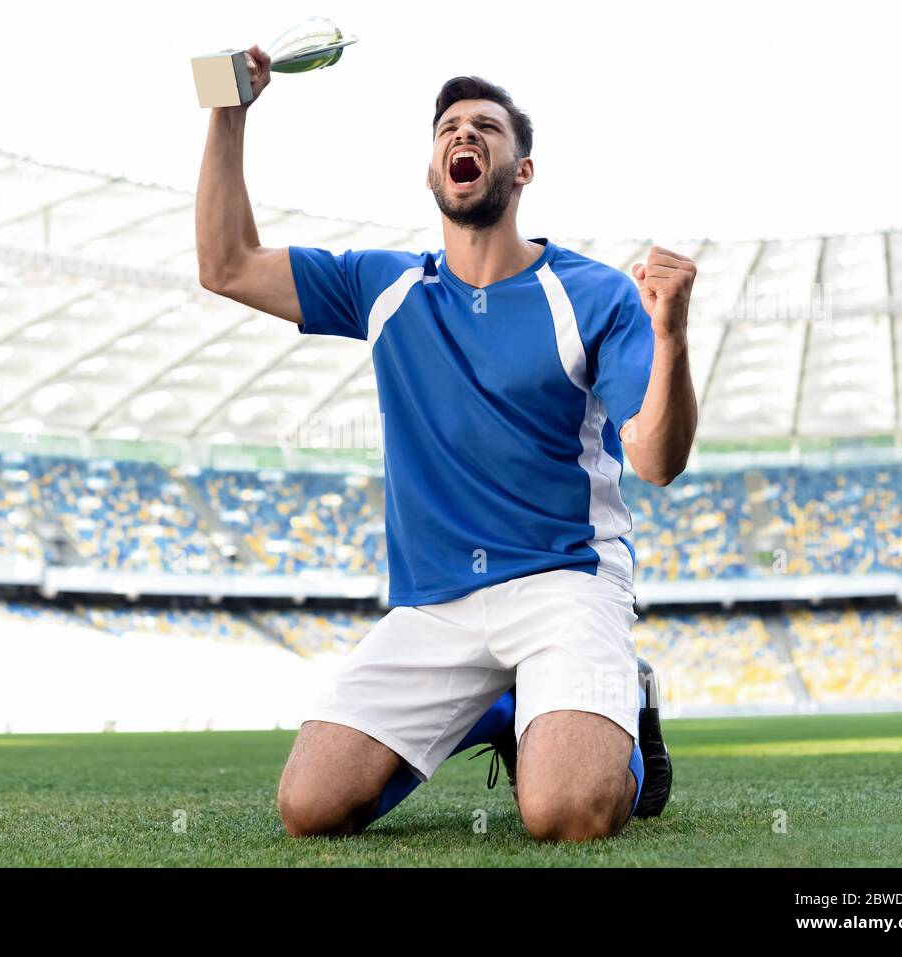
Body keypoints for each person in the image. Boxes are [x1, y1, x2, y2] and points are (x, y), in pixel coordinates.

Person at [196, 47, 697, 842]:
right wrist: (230, 114)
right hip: (436, 604)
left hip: (563, 582)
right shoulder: (386, 286)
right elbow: (226, 266)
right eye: (448, 129)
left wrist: (669, 336)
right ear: (435, 169)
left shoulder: (595, 292)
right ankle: (502, 705)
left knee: (564, 812)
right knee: (310, 808)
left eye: (486, 126)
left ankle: (624, 719)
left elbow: (657, 460)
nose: (464, 134)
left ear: (521, 169)